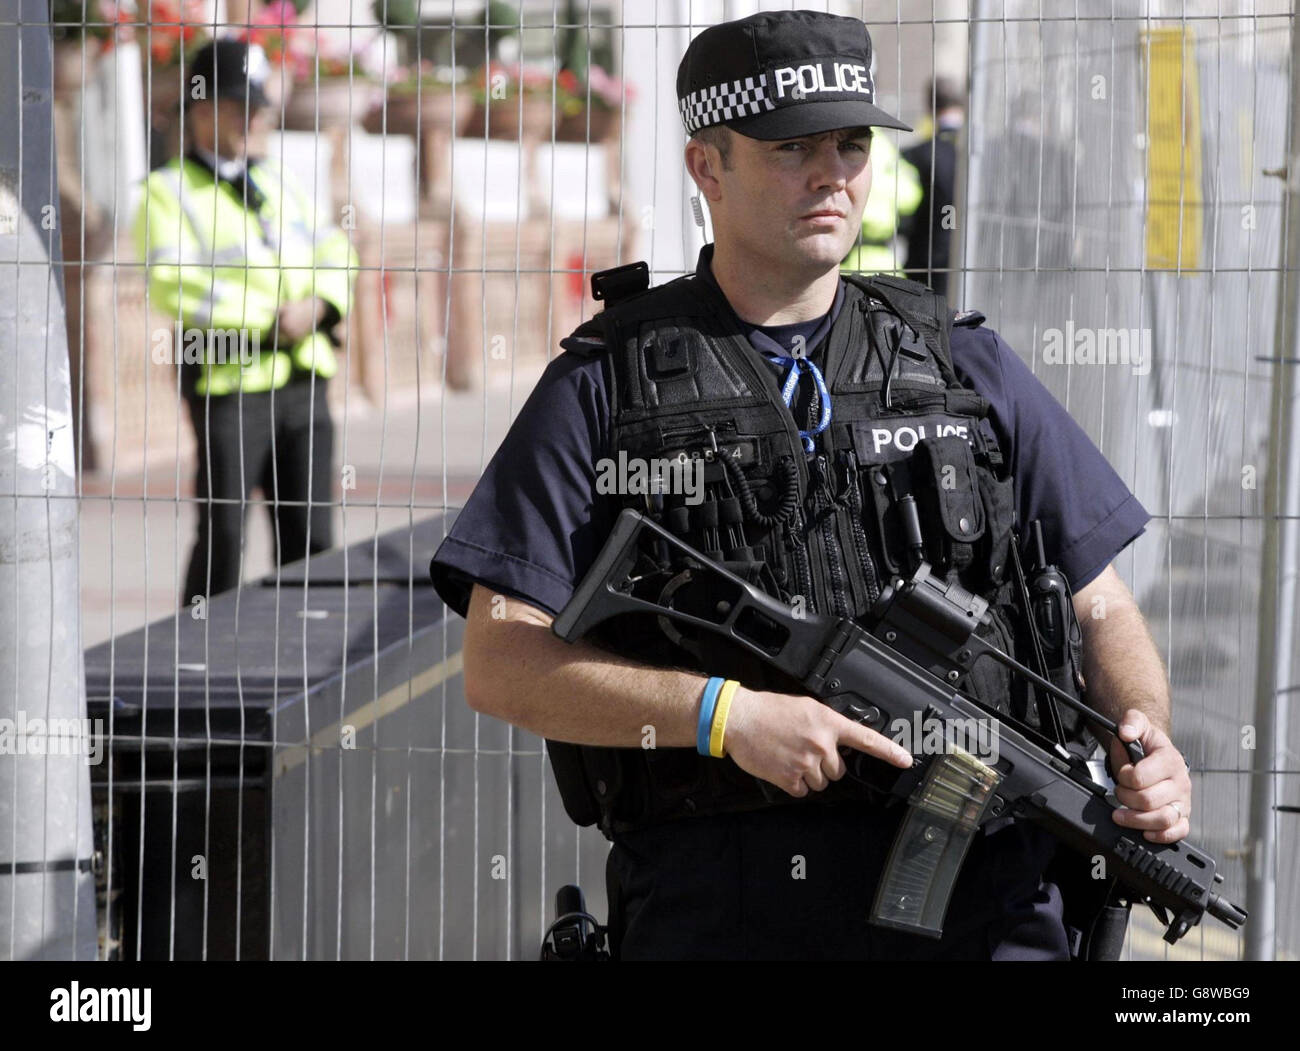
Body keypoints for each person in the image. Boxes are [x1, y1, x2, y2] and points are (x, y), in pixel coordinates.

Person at [429, 9, 1192, 960]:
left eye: (852, 143)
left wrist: (1146, 736)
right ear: (708, 167)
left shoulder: (961, 364)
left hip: (986, 904)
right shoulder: (607, 384)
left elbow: (1100, 602)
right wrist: (723, 717)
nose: (833, 173)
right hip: (727, 909)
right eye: (794, 149)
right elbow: (501, 662)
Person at [132, 39, 359, 604]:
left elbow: (336, 250)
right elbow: (173, 282)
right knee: (225, 536)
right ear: (200, 108)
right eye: (238, 105)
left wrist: (320, 307)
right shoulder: (166, 192)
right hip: (230, 385)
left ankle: (310, 656)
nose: (252, 119)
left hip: (304, 380)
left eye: (256, 107)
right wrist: (272, 320)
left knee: (312, 536)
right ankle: (194, 664)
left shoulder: (280, 182)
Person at [902, 76, 964, 297]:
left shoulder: (918, 155)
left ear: (930, 107)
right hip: (972, 255)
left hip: (926, 259)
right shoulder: (984, 155)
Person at [839, 131, 921, 275]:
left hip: (846, 256)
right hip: (883, 258)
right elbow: (909, 197)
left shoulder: (842, 135)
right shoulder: (883, 143)